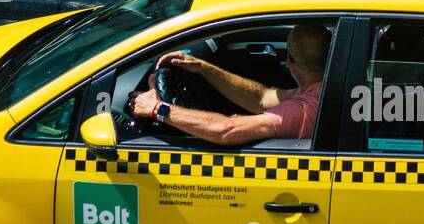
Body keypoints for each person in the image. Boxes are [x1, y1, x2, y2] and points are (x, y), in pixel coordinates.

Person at [130, 24, 331, 146]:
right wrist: (203, 67)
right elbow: (262, 98)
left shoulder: (302, 110)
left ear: (288, 61)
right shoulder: (324, 89)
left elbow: (227, 130)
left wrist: (157, 108)